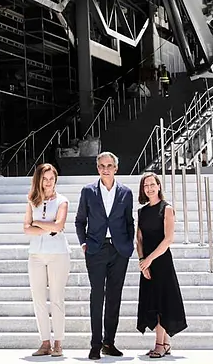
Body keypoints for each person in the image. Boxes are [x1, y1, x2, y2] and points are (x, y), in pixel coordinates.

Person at [75, 151, 135, 360]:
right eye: (102, 166)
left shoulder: (126, 192)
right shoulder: (88, 191)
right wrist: (84, 243)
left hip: (119, 251)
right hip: (96, 250)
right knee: (97, 296)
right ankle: (95, 344)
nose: (106, 169)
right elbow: (80, 221)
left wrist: (128, 244)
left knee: (114, 296)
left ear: (116, 168)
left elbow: (129, 222)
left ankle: (109, 342)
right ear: (97, 168)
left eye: (109, 166)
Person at [136, 171, 187, 357]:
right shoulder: (141, 212)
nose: (149, 188)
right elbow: (139, 239)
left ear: (159, 186)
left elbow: (168, 239)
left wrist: (149, 259)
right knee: (154, 303)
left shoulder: (167, 209)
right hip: (147, 263)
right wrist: (142, 261)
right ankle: (165, 344)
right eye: (146, 185)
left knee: (161, 304)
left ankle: (159, 344)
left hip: (162, 262)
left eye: (152, 184)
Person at [23, 163, 71, 357]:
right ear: (39, 180)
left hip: (58, 254)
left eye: (52, 178)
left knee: (57, 298)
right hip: (36, 254)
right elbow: (26, 229)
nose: (49, 182)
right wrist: (47, 226)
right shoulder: (31, 200)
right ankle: (45, 342)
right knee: (38, 299)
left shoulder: (62, 201)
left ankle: (58, 342)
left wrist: (37, 223)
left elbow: (59, 226)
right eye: (45, 179)